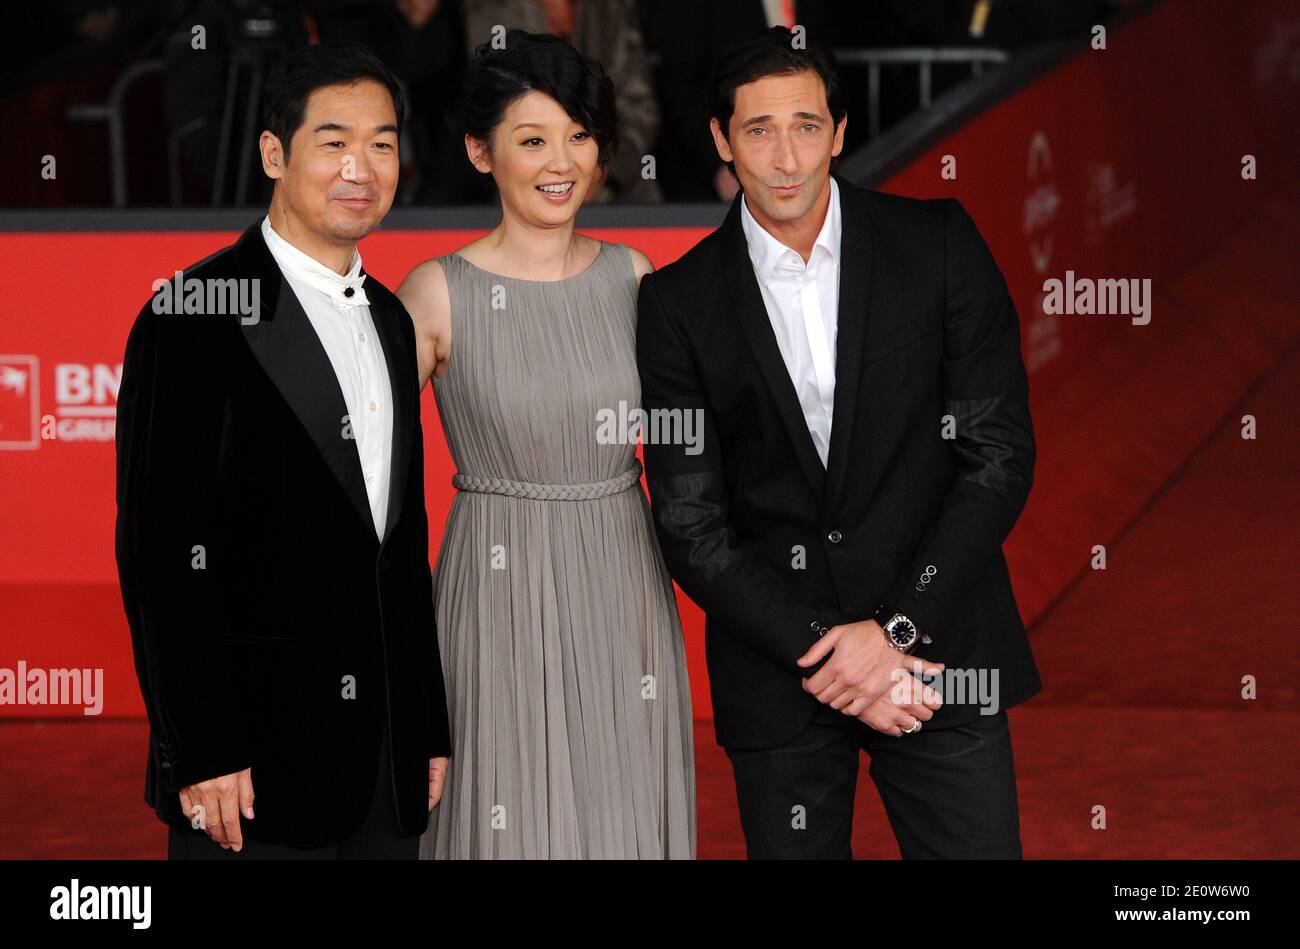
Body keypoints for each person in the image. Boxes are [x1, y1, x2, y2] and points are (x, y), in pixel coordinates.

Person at [637, 26, 1042, 859]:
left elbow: (995, 454)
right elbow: (689, 520)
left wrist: (893, 632)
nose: (786, 157)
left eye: (807, 126)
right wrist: (829, 655)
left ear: (840, 131)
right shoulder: (678, 302)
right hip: (783, 674)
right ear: (720, 139)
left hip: (938, 657)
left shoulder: (936, 244)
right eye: (758, 130)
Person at [115, 43, 451, 859]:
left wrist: (424, 722)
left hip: (382, 766)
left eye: (381, 143)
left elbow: (397, 547)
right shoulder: (194, 310)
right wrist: (200, 746)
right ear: (275, 152)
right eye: (333, 142)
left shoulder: (392, 317)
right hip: (251, 769)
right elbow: (161, 548)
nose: (360, 168)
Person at [398, 29, 695, 858]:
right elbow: (357, 451)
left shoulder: (634, 276)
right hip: (495, 586)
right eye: (532, 139)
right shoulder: (435, 290)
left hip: (621, 576)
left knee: (620, 809)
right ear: (479, 152)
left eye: (579, 135)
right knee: (509, 810)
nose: (561, 161)